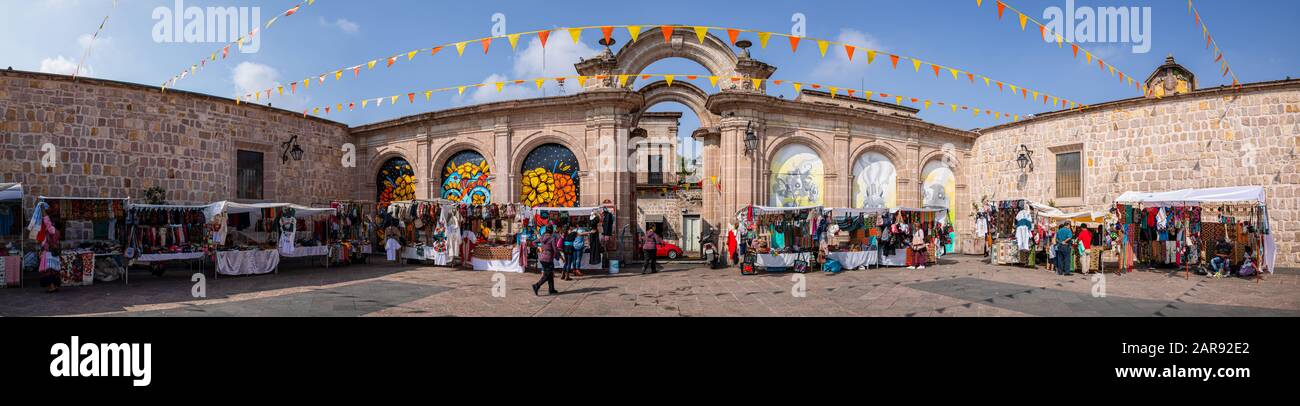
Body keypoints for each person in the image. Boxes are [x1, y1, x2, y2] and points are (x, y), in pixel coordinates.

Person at [532, 228, 559, 296]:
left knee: (550, 274)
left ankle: (551, 289)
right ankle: (537, 285)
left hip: (542, 258)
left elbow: (534, 242)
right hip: (548, 258)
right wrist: (557, 256)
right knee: (547, 275)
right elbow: (555, 249)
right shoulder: (552, 238)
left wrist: (538, 247)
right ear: (551, 231)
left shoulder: (542, 237)